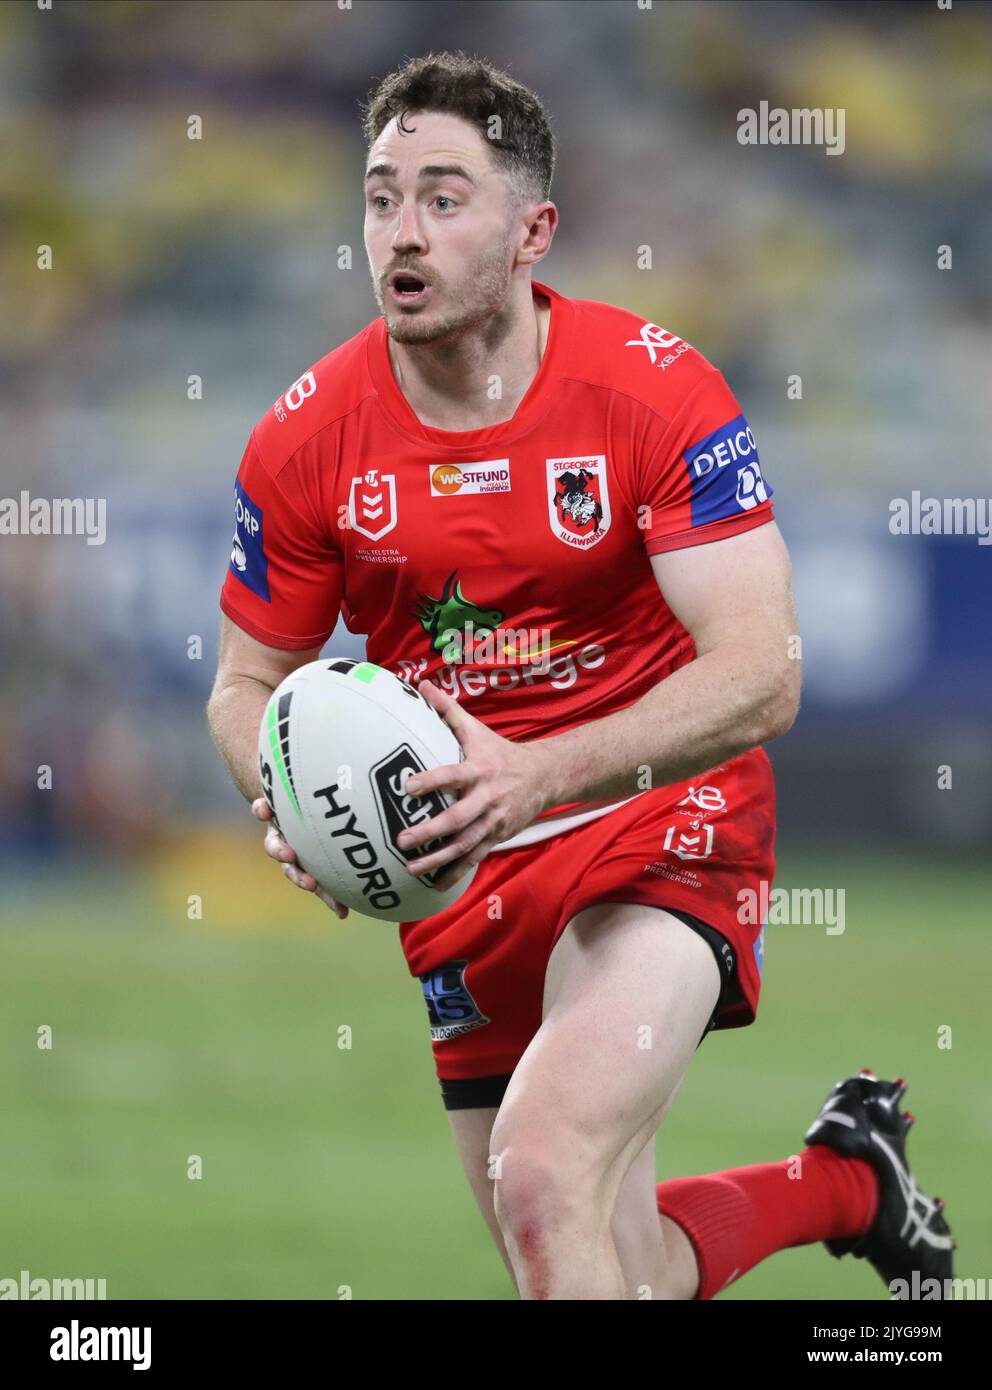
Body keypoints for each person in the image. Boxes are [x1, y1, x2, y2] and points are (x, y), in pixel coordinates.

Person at [207, 52, 953, 1300]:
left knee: (544, 1174)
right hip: (457, 872)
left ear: (531, 230)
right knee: (608, 1263)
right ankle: (850, 1183)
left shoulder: (650, 390)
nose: (402, 230)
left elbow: (762, 675)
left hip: (654, 818)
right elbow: (244, 684)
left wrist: (539, 769)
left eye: (444, 198)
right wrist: (276, 794)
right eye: (381, 196)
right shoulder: (305, 438)